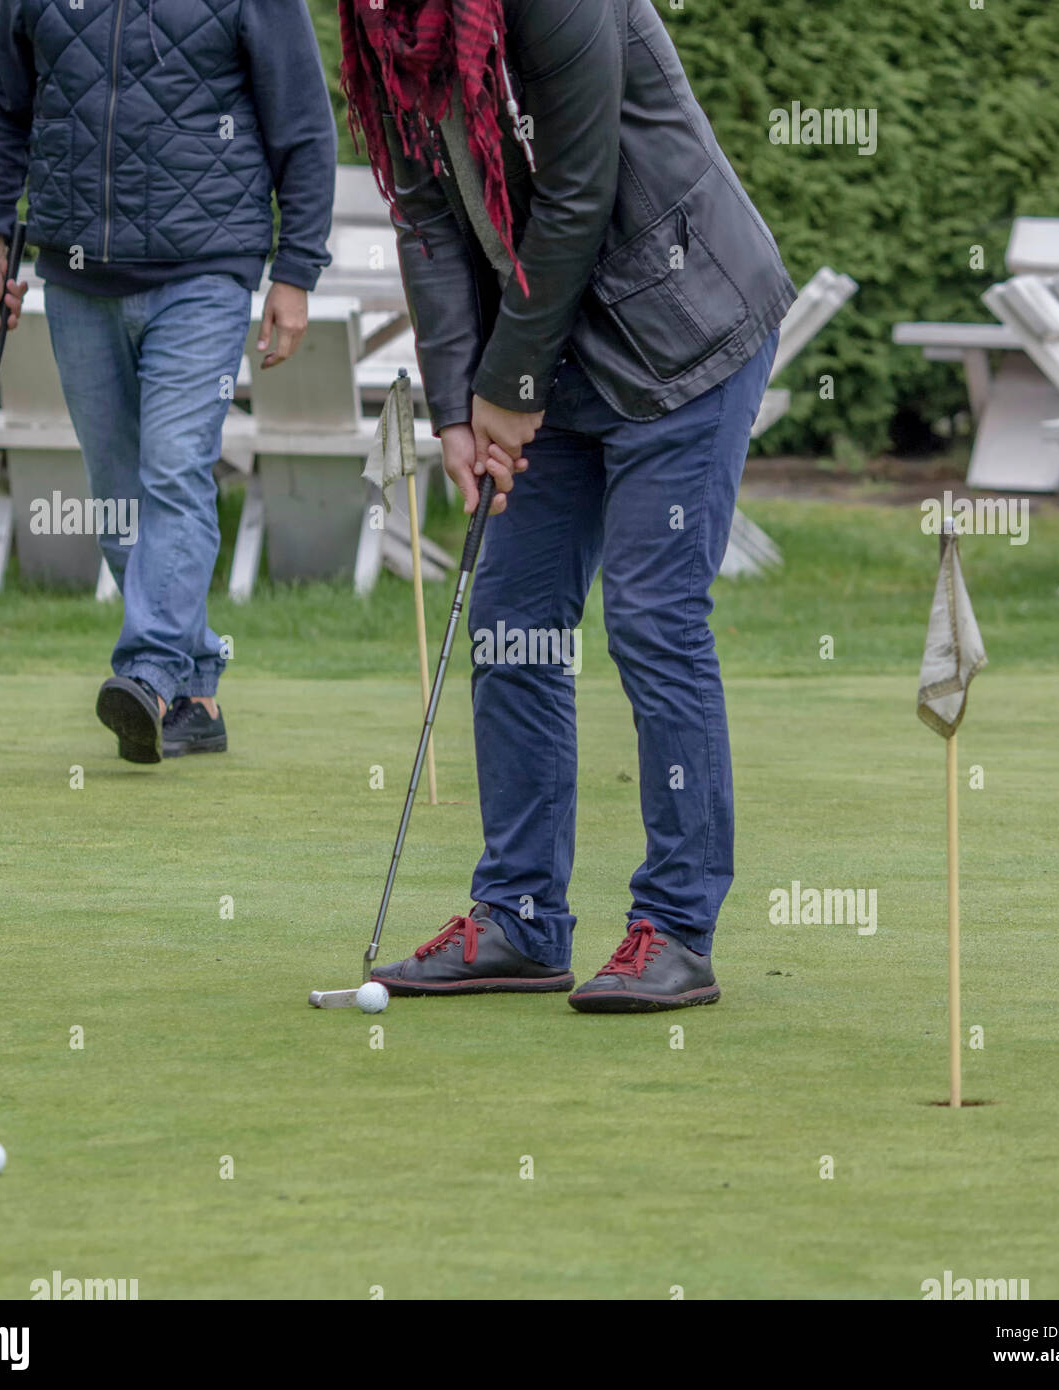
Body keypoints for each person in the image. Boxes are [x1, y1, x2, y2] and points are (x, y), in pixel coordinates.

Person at [341, 0, 796, 1011]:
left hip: (685, 333)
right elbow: (422, 215)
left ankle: (675, 927)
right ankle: (518, 918)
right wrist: (463, 402)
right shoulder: (381, 30)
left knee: (651, 619)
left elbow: (580, 187)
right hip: (550, 353)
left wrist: (509, 384)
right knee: (510, 620)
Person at [0, 0, 337, 762]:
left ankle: (149, 672)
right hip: (76, 275)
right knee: (116, 494)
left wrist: (296, 270)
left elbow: (303, 122)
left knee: (174, 469)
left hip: (206, 269)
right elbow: (2, 106)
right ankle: (195, 693)